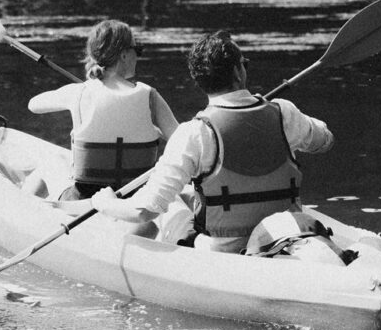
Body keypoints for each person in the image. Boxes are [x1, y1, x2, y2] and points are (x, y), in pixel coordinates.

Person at [91, 30, 333, 252]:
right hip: (287, 234)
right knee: (187, 194)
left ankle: (122, 254)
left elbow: (145, 211)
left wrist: (105, 203)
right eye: (244, 64)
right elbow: (325, 141)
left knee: (171, 201)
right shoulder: (284, 113)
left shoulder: (193, 133)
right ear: (239, 73)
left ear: (199, 81)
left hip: (224, 252)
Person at [28, 19, 178, 199]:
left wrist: (80, 90)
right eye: (136, 50)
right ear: (124, 55)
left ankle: (27, 213)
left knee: (50, 163)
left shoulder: (78, 92)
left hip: (83, 201)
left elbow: (33, 105)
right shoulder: (150, 96)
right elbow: (182, 143)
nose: (138, 57)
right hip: (136, 199)